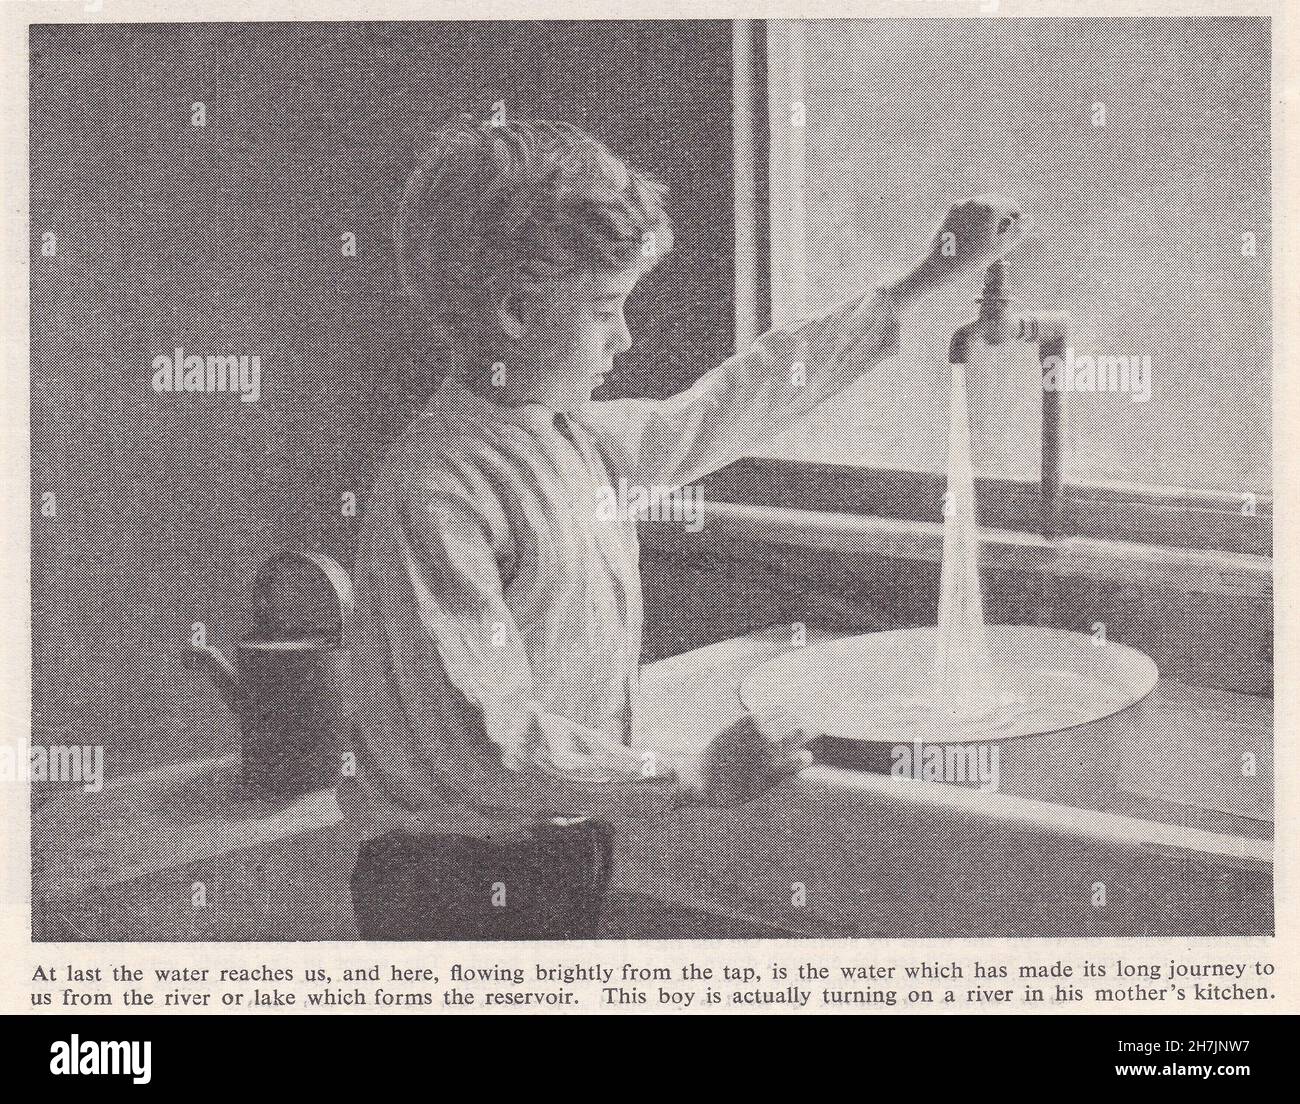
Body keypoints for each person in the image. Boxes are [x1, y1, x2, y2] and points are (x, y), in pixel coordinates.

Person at [340, 115, 1022, 940]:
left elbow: (733, 402)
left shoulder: (572, 437)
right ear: (516, 309)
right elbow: (486, 742)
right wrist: (689, 774)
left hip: (559, 843)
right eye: (606, 309)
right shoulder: (439, 490)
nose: (624, 338)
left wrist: (922, 282)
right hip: (451, 882)